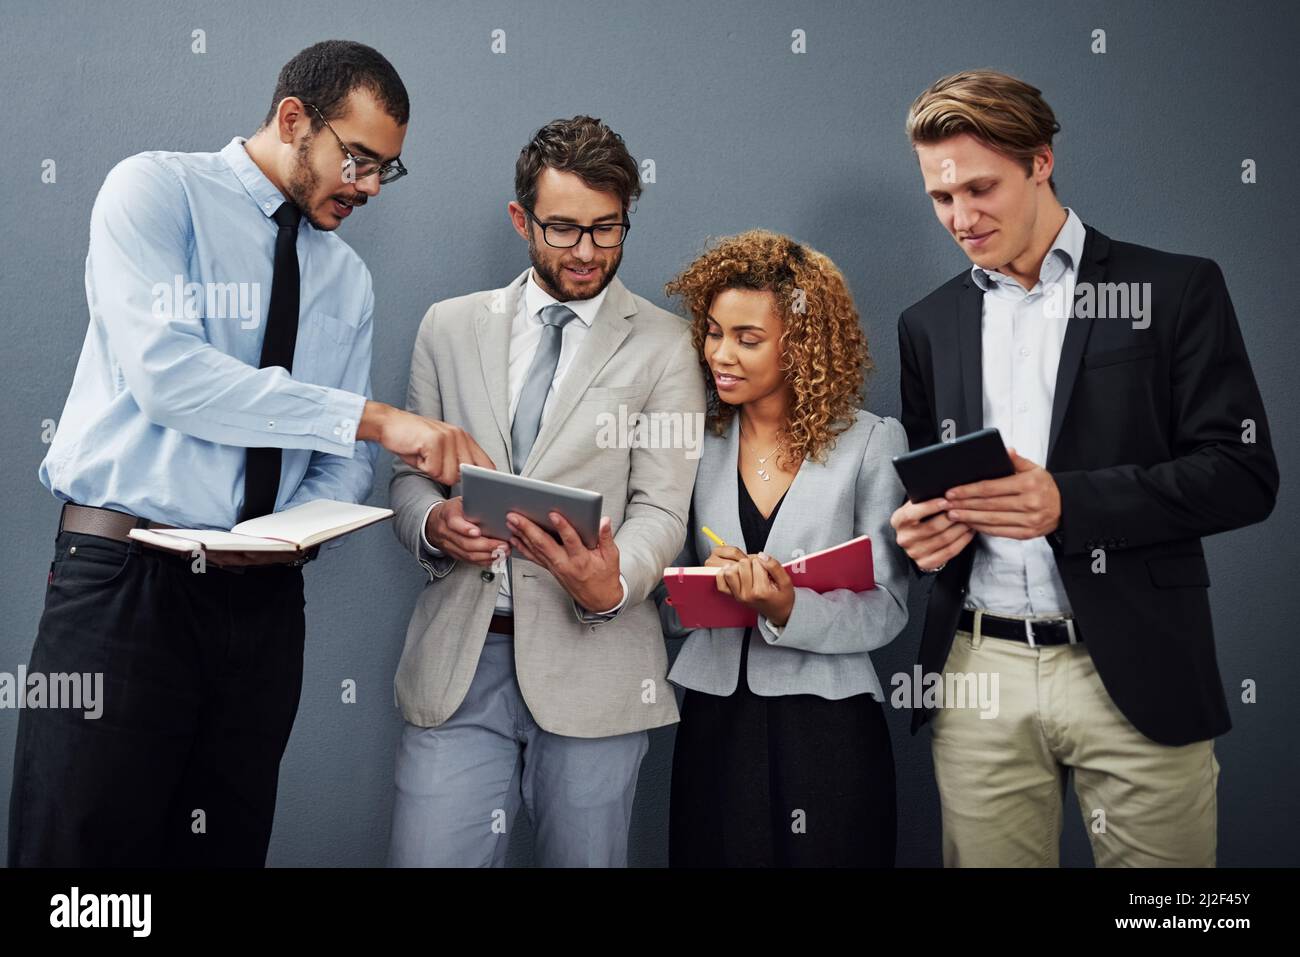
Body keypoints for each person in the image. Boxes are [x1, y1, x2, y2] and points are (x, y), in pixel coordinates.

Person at [8, 40, 490, 868]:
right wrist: (375, 418)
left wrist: (288, 531)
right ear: (294, 120)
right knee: (81, 859)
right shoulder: (154, 190)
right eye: (360, 159)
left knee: (223, 846)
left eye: (387, 171)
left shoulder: (347, 280)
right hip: (126, 580)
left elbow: (338, 462)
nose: (369, 187)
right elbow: (170, 379)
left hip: (262, 605)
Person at [890, 70, 1278, 866]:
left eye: (981, 188)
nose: (960, 217)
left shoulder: (1173, 289)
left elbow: (1244, 473)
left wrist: (1066, 501)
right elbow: (940, 485)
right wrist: (921, 534)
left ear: (1041, 161)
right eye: (940, 197)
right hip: (978, 672)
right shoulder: (928, 323)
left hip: (1139, 669)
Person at [386, 115, 706, 867]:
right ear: (520, 218)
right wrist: (435, 523)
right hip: (460, 663)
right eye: (562, 230)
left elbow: (663, 506)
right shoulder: (448, 327)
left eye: (607, 229)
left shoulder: (668, 347)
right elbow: (407, 478)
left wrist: (612, 581)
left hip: (595, 661)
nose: (588, 252)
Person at [656, 230, 909, 867]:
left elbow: (888, 607)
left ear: (800, 345)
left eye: (747, 339)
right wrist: (691, 588)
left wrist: (789, 605)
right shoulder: (693, 444)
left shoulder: (873, 445)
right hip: (715, 719)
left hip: (829, 730)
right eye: (713, 332)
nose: (721, 355)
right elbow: (663, 604)